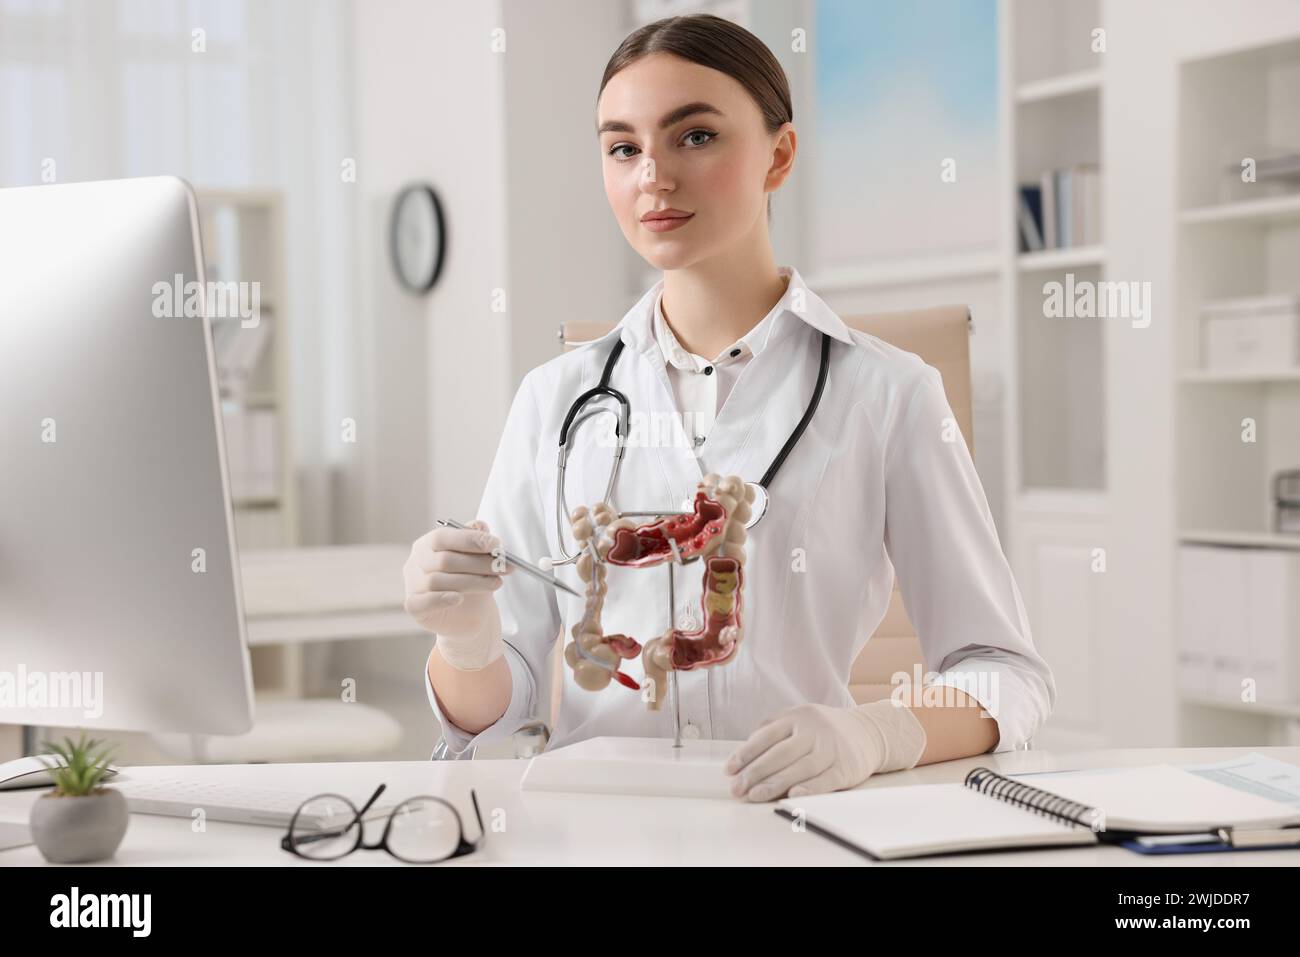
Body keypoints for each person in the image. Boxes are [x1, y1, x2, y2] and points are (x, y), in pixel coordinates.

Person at [403, 13, 1055, 803]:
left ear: (779, 155)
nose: (653, 175)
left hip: (798, 821)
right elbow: (491, 719)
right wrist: (467, 637)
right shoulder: (556, 399)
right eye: (623, 147)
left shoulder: (890, 393)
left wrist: (878, 733)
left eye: (696, 137)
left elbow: (1005, 671)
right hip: (597, 830)